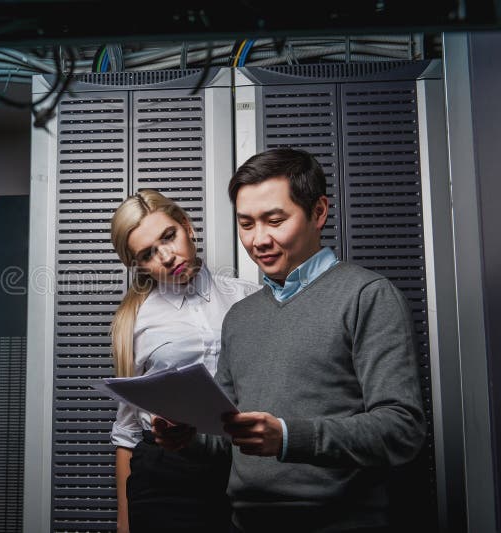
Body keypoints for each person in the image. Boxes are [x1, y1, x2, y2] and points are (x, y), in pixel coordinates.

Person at [154, 148, 427, 532]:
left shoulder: (367, 295)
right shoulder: (241, 317)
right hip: (247, 522)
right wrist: (188, 436)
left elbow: (402, 430)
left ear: (319, 212)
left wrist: (287, 437)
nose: (258, 239)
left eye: (275, 220)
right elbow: (227, 436)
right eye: (246, 224)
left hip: (343, 522)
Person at [108, 189, 259, 533]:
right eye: (148, 253)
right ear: (138, 265)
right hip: (166, 474)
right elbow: (127, 429)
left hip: (242, 462)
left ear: (187, 226)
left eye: (169, 236)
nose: (166, 256)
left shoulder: (249, 296)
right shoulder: (135, 321)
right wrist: (124, 521)